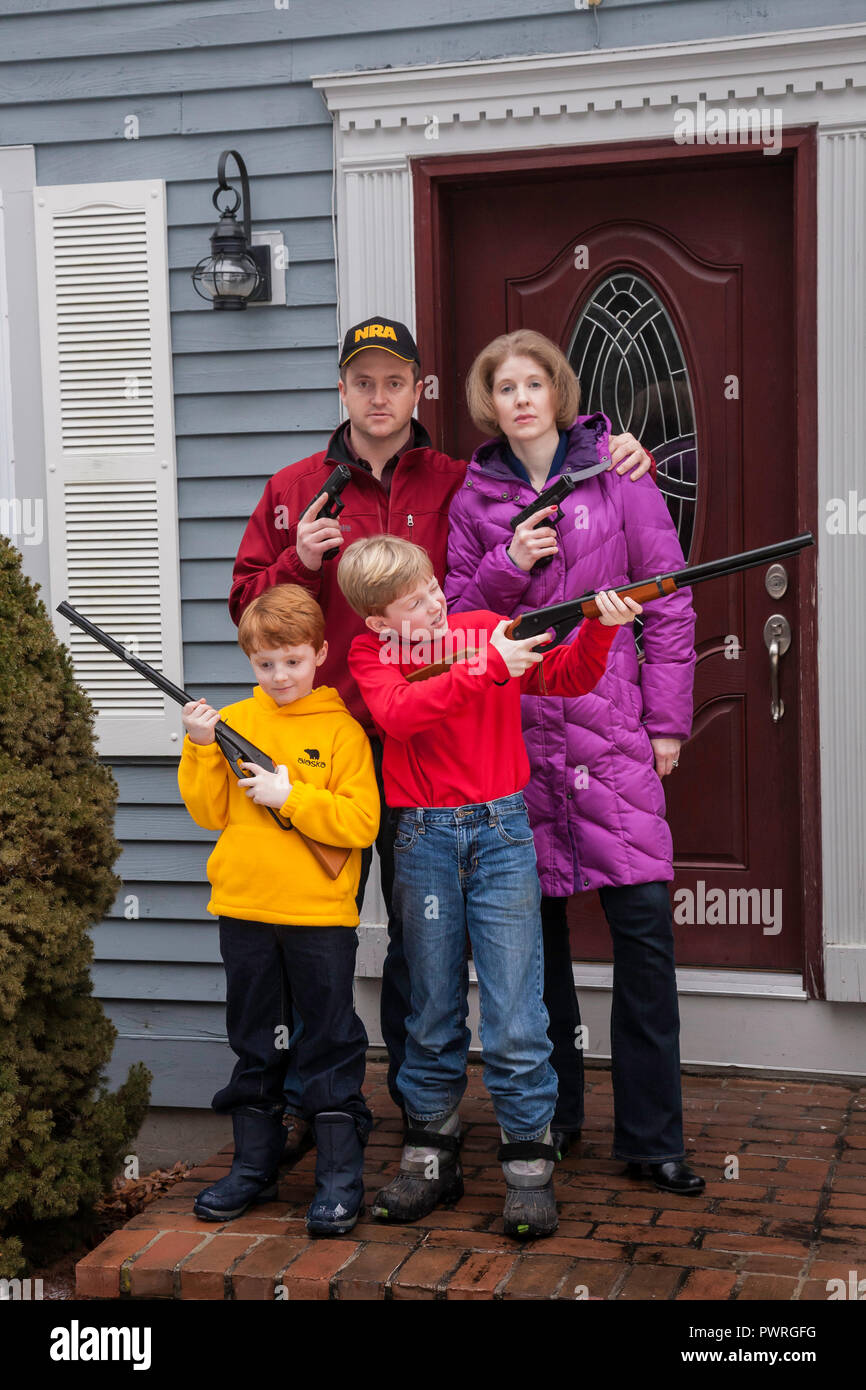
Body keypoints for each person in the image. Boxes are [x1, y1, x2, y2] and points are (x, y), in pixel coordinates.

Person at [229, 315, 654, 1148]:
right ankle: (309, 1106)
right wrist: (300, 561)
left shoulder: (462, 478)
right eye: (363, 382)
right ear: (342, 389)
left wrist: (613, 453)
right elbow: (252, 611)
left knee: (418, 943)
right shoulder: (294, 489)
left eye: (395, 381)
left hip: (442, 745)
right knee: (317, 926)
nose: (378, 397)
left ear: (418, 389)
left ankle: (415, 1113)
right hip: (332, 734)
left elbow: (531, 509)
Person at [445, 329, 704, 1194]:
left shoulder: (618, 475)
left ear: (557, 391)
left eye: (534, 383)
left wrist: (666, 723)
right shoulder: (476, 496)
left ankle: (654, 1137)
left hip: (610, 733)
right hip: (516, 741)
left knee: (643, 933)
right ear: (489, 403)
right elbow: (456, 620)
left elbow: (668, 600)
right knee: (535, 946)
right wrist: (508, 562)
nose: (521, 398)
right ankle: (552, 1119)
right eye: (504, 387)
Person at [340, 534, 642, 1238]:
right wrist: (487, 667)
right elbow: (400, 713)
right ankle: (430, 1154)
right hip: (422, 840)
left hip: (502, 835)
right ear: (380, 622)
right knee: (431, 1007)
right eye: (415, 603)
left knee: (515, 1013)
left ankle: (528, 1163)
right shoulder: (370, 655)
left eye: (433, 588)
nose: (435, 605)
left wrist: (601, 627)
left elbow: (567, 676)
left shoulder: (483, 628)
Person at [177, 584, 380, 1234]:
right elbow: (208, 812)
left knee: (329, 1036)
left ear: (319, 653)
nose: (280, 675)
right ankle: (253, 1167)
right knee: (256, 1037)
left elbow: (361, 823)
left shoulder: (342, 731)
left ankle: (339, 1178)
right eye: (266, 663)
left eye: (292, 660)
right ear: (251, 661)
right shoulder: (236, 721)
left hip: (318, 915)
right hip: (245, 907)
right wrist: (200, 746)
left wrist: (288, 797)